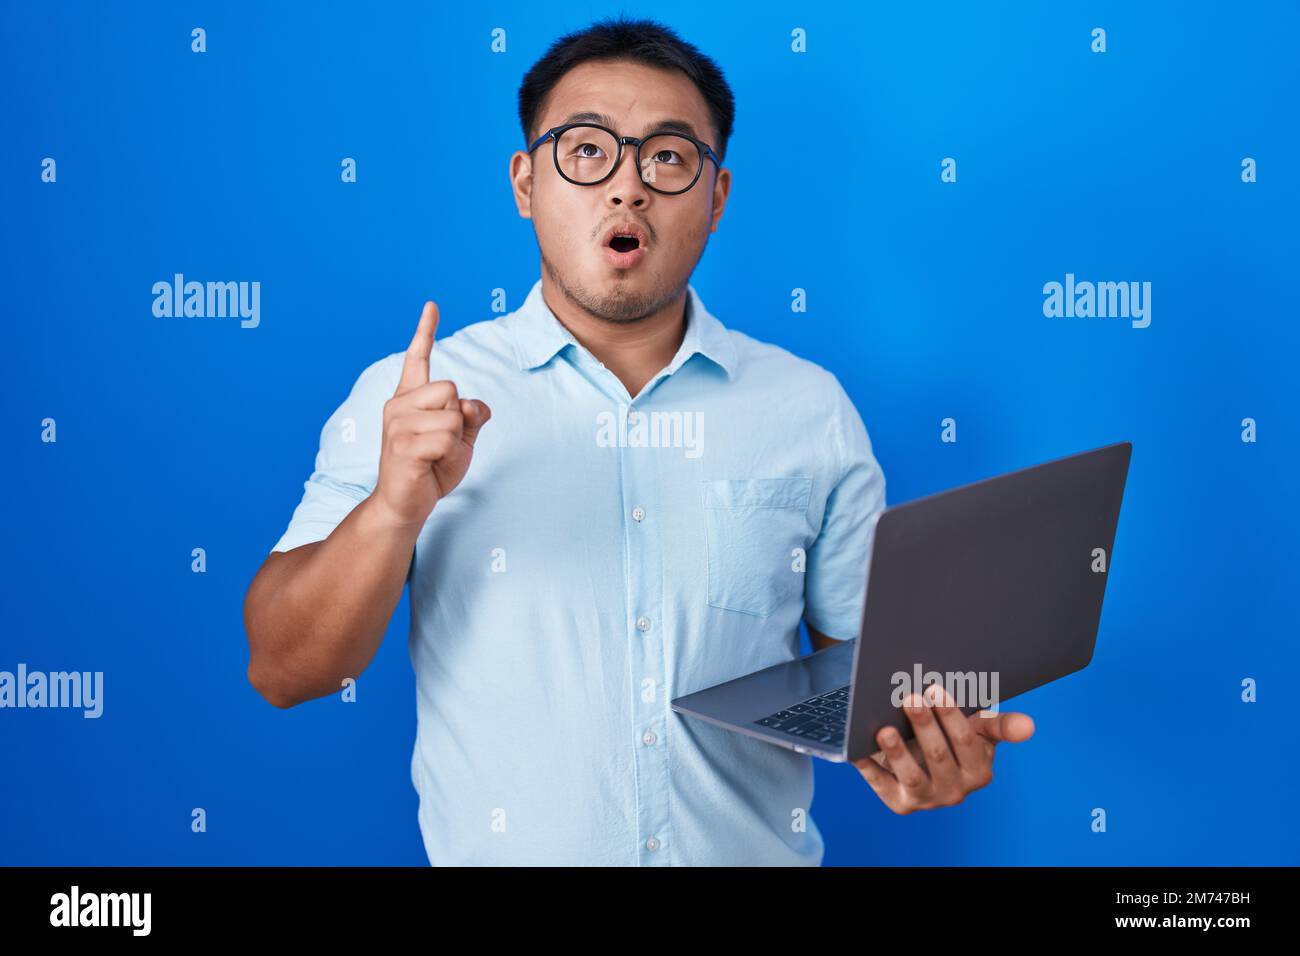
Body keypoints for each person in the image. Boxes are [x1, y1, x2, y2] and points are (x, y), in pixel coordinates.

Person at [243, 15, 1033, 866]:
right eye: (587, 151)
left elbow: (867, 682)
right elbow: (285, 670)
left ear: (716, 197)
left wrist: (924, 750)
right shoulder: (414, 400)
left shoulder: (809, 409)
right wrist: (394, 508)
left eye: (667, 156)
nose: (627, 187)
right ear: (525, 182)